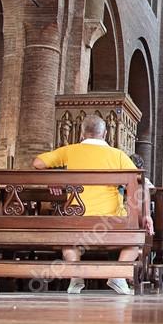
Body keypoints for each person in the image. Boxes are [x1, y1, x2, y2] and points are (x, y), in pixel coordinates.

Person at [32, 114, 146, 295]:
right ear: (105, 134)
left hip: (77, 219)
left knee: (69, 241)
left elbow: (37, 163)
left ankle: (76, 278)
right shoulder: (117, 155)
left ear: (81, 133)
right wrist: (145, 216)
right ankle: (117, 275)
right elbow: (139, 183)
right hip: (111, 222)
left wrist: (54, 177)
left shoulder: (69, 151)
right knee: (136, 239)